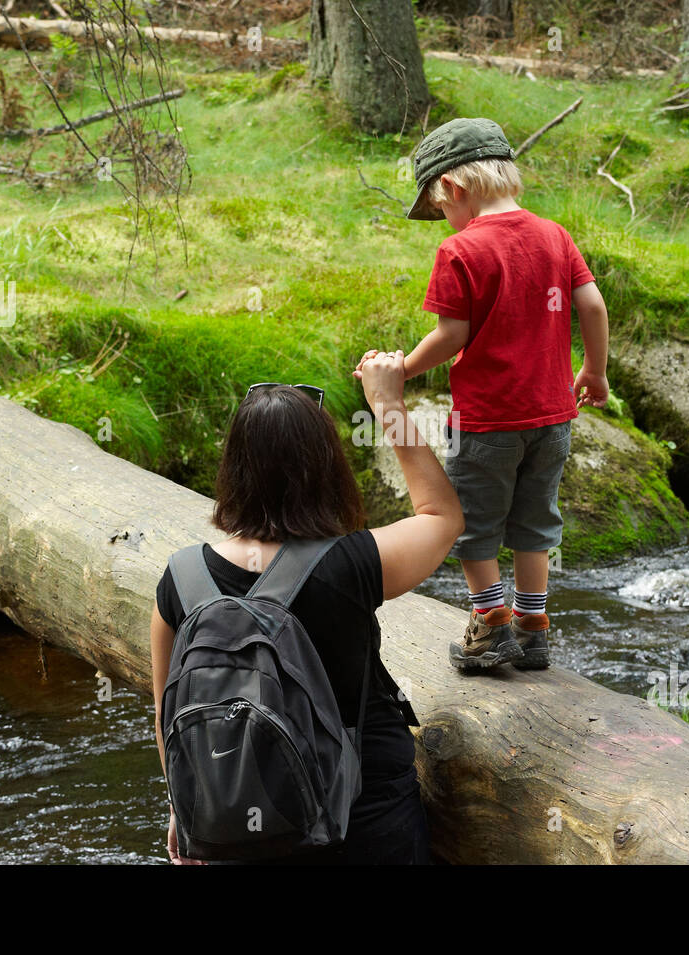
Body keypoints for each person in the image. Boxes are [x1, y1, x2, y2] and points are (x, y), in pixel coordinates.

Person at [149, 352, 463, 864]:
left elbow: (170, 718)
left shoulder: (180, 581)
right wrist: (387, 403)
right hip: (362, 822)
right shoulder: (354, 563)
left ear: (234, 467)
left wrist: (186, 809)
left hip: (239, 827)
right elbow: (443, 515)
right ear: (326, 468)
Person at [379, 115, 611, 672]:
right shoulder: (555, 235)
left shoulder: (460, 251)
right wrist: (595, 371)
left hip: (487, 423)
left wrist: (400, 372)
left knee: (474, 525)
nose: (445, 223)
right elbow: (594, 306)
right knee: (536, 521)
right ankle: (534, 628)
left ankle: (492, 625)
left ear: (454, 189)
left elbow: (451, 335)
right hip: (553, 418)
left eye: (441, 210)